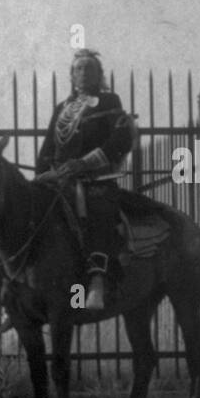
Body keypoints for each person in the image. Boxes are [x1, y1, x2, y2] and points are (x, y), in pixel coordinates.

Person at [34, 48, 135, 311]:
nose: (83, 72)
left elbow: (120, 140)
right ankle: (26, 291)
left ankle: (96, 281)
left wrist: (83, 163)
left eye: (89, 68)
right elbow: (47, 149)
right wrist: (43, 174)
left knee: (99, 212)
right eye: (78, 68)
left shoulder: (109, 101)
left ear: (99, 74)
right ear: (71, 75)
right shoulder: (62, 108)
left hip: (96, 179)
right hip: (60, 181)